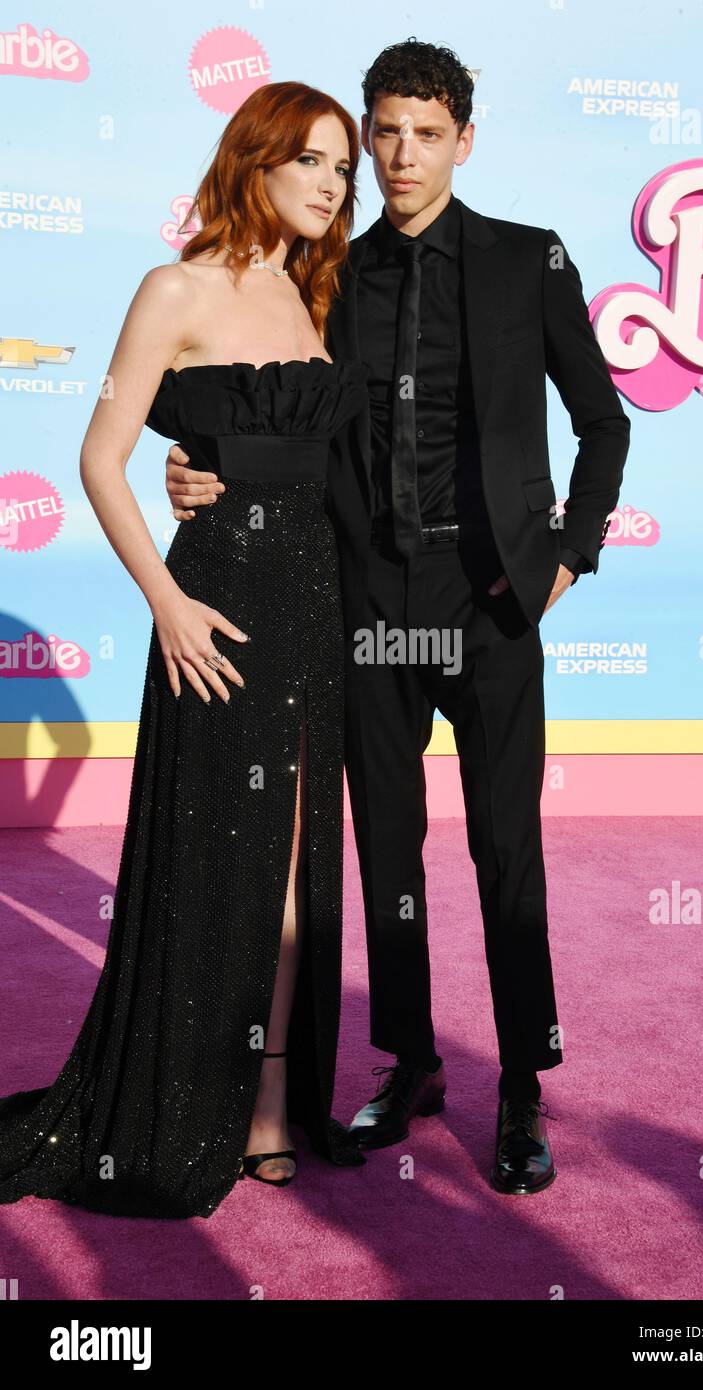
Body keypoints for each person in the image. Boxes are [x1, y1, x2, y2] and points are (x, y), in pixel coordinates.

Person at [165, 40, 631, 1196]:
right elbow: (267, 403)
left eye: (425, 133)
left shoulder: (530, 261)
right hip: (368, 606)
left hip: (489, 608)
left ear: (463, 141)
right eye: (384, 133)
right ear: (367, 141)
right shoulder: (328, 275)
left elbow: (603, 421)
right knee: (388, 853)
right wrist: (195, 468)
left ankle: (520, 1084)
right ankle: (410, 1059)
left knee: (504, 851)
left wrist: (569, 552)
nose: (401, 154)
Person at [0, 81, 370, 1220]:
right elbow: (104, 453)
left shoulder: (316, 292)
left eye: (341, 169)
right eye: (311, 160)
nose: (330, 185)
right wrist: (164, 597)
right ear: (253, 159)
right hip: (213, 608)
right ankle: (171, 1097)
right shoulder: (174, 287)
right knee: (219, 861)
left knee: (300, 873)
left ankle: (263, 1106)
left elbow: (296, 450)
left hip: (313, 605)